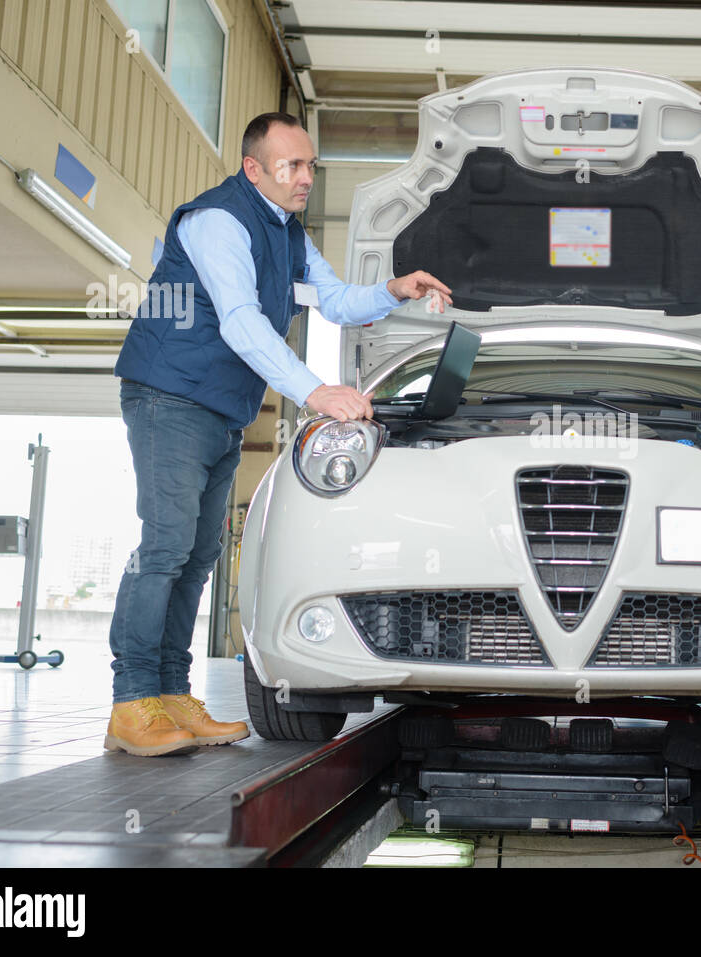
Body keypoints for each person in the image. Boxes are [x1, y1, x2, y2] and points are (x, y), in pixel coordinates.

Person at [105, 111, 453, 756]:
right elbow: (240, 321)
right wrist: (315, 391)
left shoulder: (287, 233)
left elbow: (338, 300)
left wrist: (394, 290)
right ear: (254, 168)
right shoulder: (216, 221)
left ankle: (173, 696)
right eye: (292, 166)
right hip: (168, 397)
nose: (306, 178)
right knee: (166, 547)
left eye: (311, 165)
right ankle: (131, 704)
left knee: (199, 554)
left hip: (220, 408)